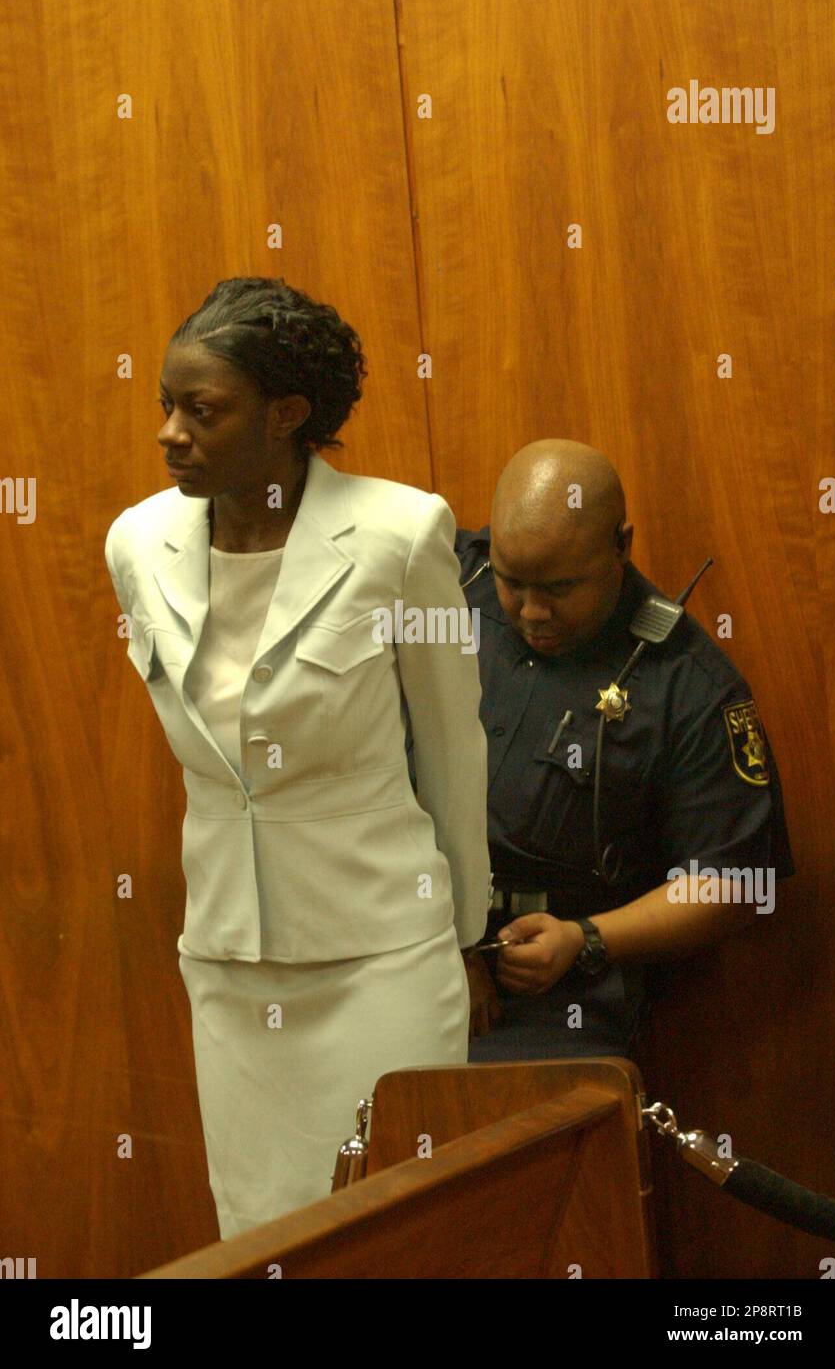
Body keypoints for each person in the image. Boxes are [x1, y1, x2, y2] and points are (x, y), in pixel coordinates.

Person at [104, 276, 490, 1237]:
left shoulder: (402, 533)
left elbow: (452, 743)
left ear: (286, 414)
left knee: (396, 1221)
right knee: (261, 1230)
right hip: (232, 959)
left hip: (381, 951)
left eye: (202, 410)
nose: (170, 433)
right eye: (166, 405)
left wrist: (467, 931)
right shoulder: (137, 543)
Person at [456, 439, 794, 1061]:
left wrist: (585, 939)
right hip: (407, 941)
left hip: (557, 990)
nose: (531, 612)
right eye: (513, 581)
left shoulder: (688, 683)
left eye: (559, 588)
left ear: (621, 545)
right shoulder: (453, 584)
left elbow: (735, 883)